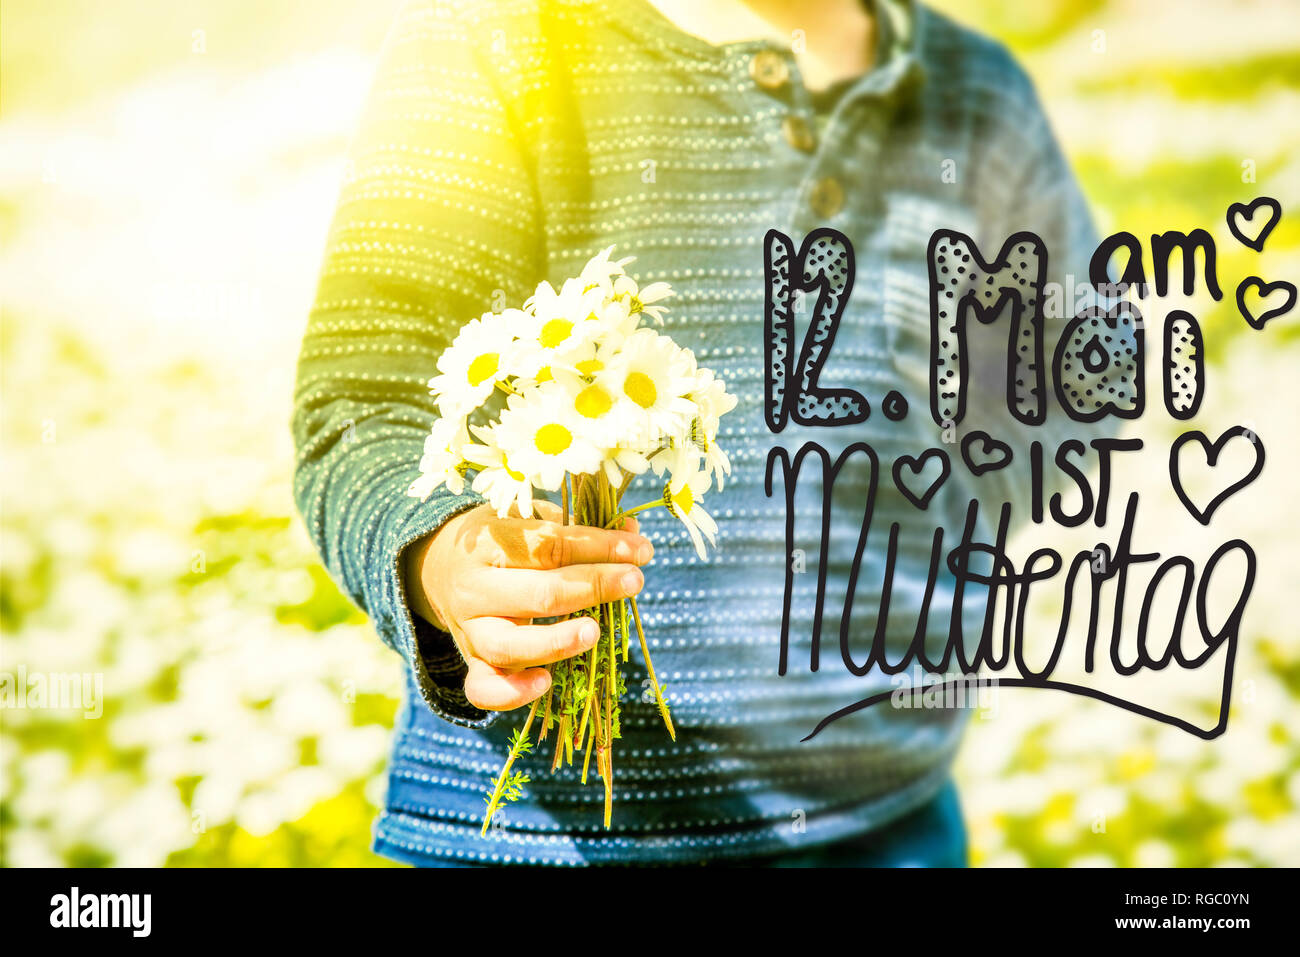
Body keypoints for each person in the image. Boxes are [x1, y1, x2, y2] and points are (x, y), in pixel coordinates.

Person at [292, 0, 1097, 866]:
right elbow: (361, 399)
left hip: (887, 814)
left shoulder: (974, 96)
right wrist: (443, 562)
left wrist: (944, 518)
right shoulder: (497, 40)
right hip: (543, 833)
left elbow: (1082, 364)